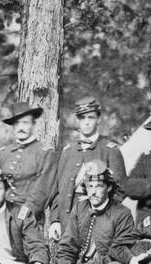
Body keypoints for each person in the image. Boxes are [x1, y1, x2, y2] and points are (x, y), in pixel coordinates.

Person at [53, 161, 137, 264]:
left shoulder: (122, 213)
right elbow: (67, 247)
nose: (93, 192)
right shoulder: (79, 208)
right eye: (89, 186)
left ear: (109, 187)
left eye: (98, 186)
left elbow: (118, 253)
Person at [46, 96, 127, 242]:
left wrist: (104, 217)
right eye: (82, 118)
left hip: (98, 224)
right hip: (67, 222)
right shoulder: (67, 151)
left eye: (91, 117)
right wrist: (55, 220)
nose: (87, 122)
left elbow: (120, 191)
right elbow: (58, 191)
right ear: (77, 121)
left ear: (99, 119)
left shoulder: (110, 150)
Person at [0, 100, 55, 222]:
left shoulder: (44, 153)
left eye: (25, 123)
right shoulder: (4, 152)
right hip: (1, 215)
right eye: (17, 123)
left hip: (29, 220)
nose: (21, 128)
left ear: (33, 124)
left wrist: (24, 215)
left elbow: (43, 190)